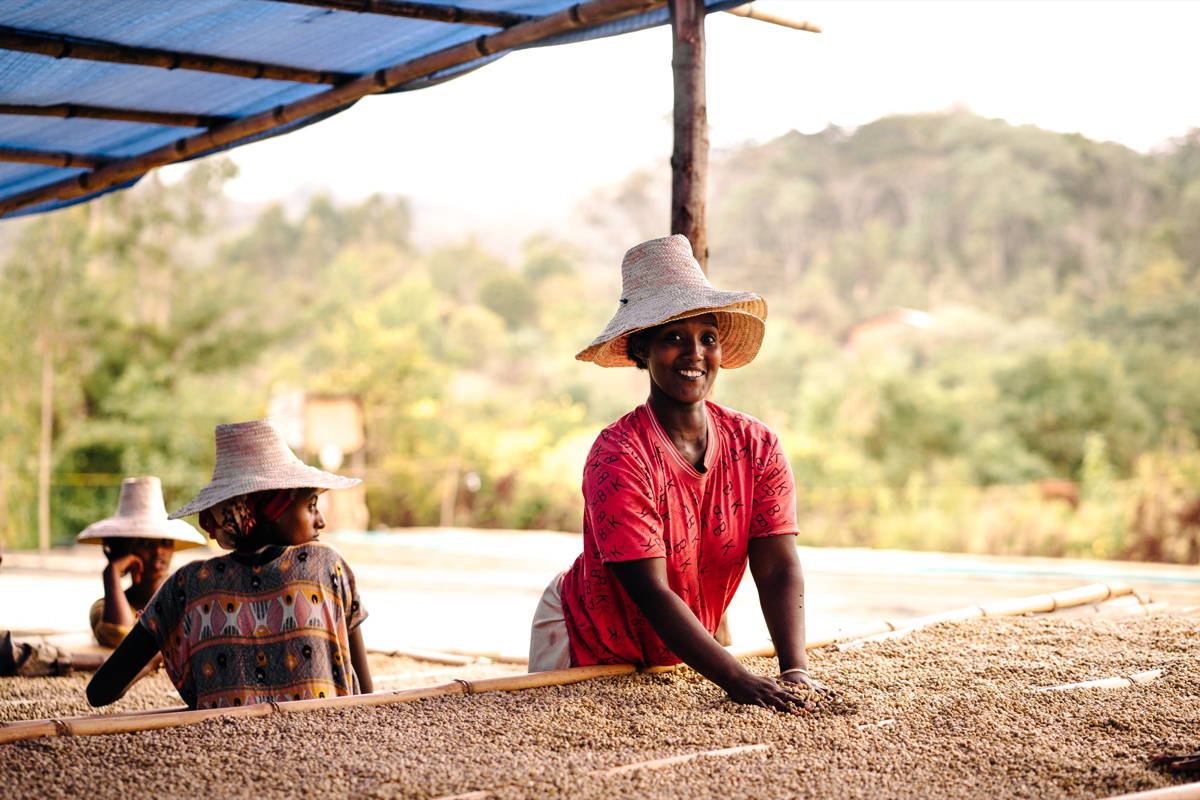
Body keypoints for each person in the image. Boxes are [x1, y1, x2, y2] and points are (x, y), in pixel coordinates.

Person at [528, 235, 834, 713]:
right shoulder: (619, 454)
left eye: (706, 338)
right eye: (673, 338)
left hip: (680, 653)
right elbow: (650, 590)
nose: (694, 353)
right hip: (588, 642)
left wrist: (793, 671)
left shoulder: (756, 445)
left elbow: (777, 565)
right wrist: (738, 681)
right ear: (641, 351)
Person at [87, 419, 373, 709]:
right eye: (311, 505)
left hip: (219, 753)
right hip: (323, 747)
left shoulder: (187, 586)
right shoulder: (324, 564)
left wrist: (158, 651)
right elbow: (367, 697)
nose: (320, 520)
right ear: (271, 508)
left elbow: (100, 692)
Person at [77, 476, 208, 648]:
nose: (158, 552)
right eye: (145, 543)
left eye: (165, 543)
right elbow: (120, 637)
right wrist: (111, 574)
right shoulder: (103, 609)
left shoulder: (187, 600)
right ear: (125, 551)